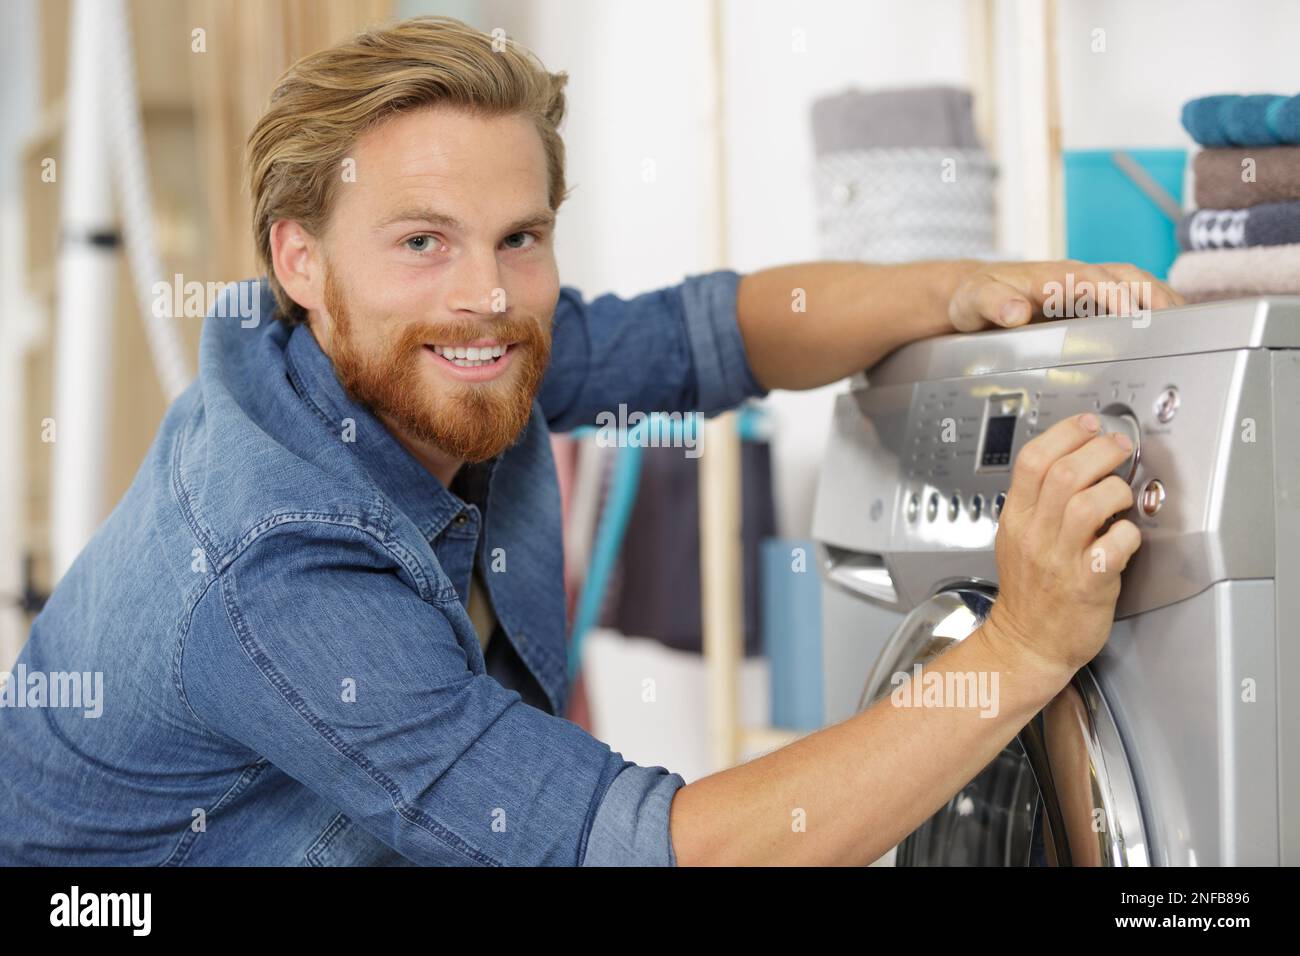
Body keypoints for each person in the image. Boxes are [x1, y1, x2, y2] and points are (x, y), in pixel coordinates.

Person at [0, 15, 1178, 865]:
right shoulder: (281, 563)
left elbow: (708, 336)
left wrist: (960, 288)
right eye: (422, 242)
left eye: (520, 237)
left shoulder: (421, 351)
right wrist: (1023, 645)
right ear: (296, 258)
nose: (488, 295)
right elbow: (653, 852)